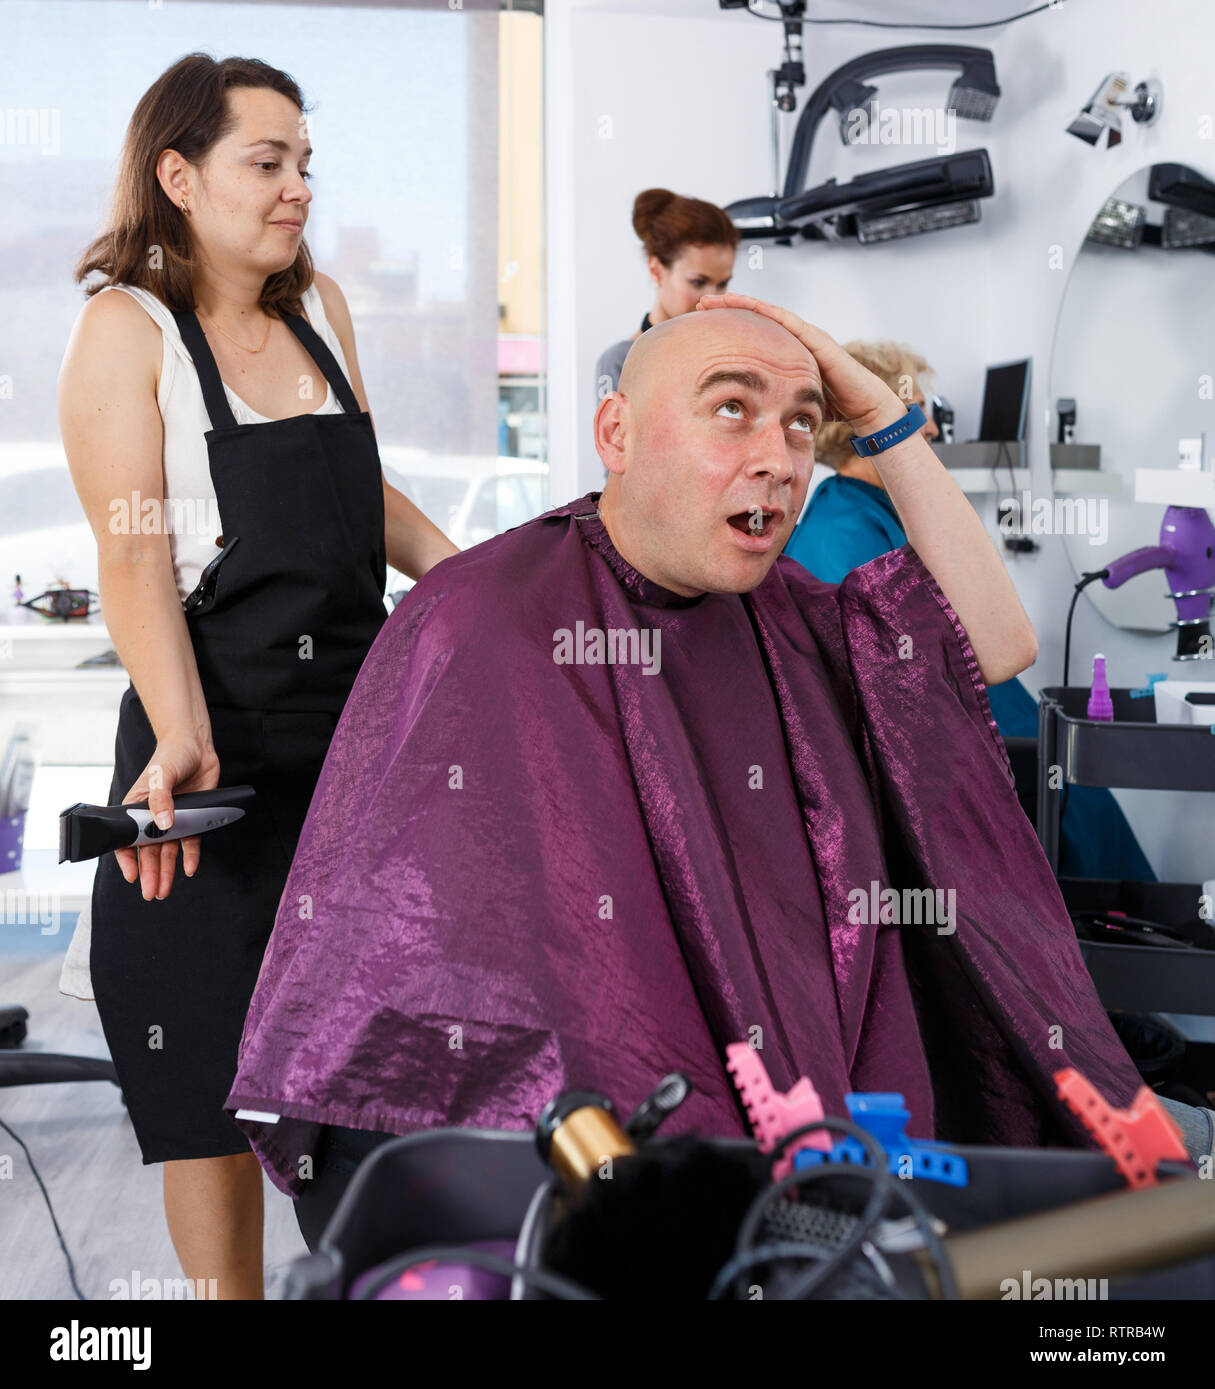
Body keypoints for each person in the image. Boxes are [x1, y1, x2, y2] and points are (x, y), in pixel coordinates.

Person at [224, 291, 1212, 1247]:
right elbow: (403, 979)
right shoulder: (479, 619)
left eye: (799, 425)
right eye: (731, 409)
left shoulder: (790, 611)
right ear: (616, 434)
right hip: (572, 1171)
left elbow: (993, 640)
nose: (776, 457)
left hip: (796, 1127)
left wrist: (879, 416)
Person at [56, 53, 457, 1298]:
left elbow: (357, 491)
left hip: (358, 747)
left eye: (304, 164)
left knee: (376, 1070)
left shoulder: (320, 308)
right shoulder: (129, 328)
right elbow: (131, 548)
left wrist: (461, 577)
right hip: (209, 748)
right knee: (212, 1086)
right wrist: (179, 735)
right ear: (180, 176)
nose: (296, 190)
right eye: (266, 163)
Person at [784, 339, 1155, 884]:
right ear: (863, 423)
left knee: (1084, 800)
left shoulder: (883, 512)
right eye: (916, 413)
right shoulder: (843, 531)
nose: (932, 428)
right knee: (1078, 809)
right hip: (972, 757)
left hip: (1002, 735)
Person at [593, 187, 738, 409]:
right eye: (697, 282)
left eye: (722, 284)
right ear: (656, 270)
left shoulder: (735, 356)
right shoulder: (621, 361)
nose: (713, 300)